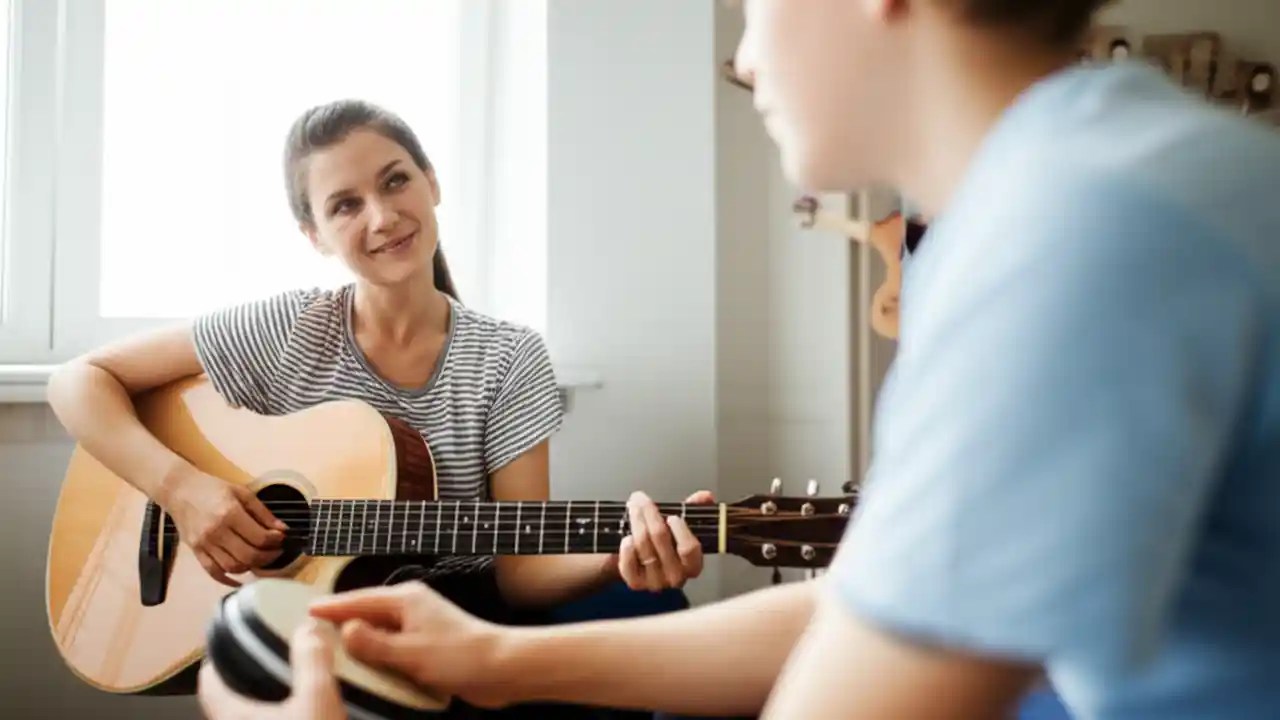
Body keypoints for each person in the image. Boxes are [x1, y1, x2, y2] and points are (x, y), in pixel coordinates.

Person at [198, 0, 1280, 718]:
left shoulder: (1076, 232)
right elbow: (860, 607)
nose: (746, 54)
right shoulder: (1067, 189)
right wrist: (487, 658)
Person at [47, 99, 711, 716]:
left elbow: (520, 571)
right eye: (344, 205)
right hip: (318, 617)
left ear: (432, 182)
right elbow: (79, 380)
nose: (382, 216)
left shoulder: (508, 357)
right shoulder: (290, 329)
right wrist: (184, 491)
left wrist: (615, 555)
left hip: (464, 608)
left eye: (395, 181)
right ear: (314, 234)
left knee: (656, 603)